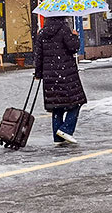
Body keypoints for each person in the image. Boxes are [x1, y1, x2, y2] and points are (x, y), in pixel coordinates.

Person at [33, 16, 86, 145]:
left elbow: (38, 55)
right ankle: (66, 129)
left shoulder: (42, 33)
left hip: (50, 76)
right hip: (66, 73)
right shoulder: (64, 30)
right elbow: (73, 48)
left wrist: (38, 73)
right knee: (76, 102)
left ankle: (58, 138)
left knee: (57, 106)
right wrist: (75, 36)